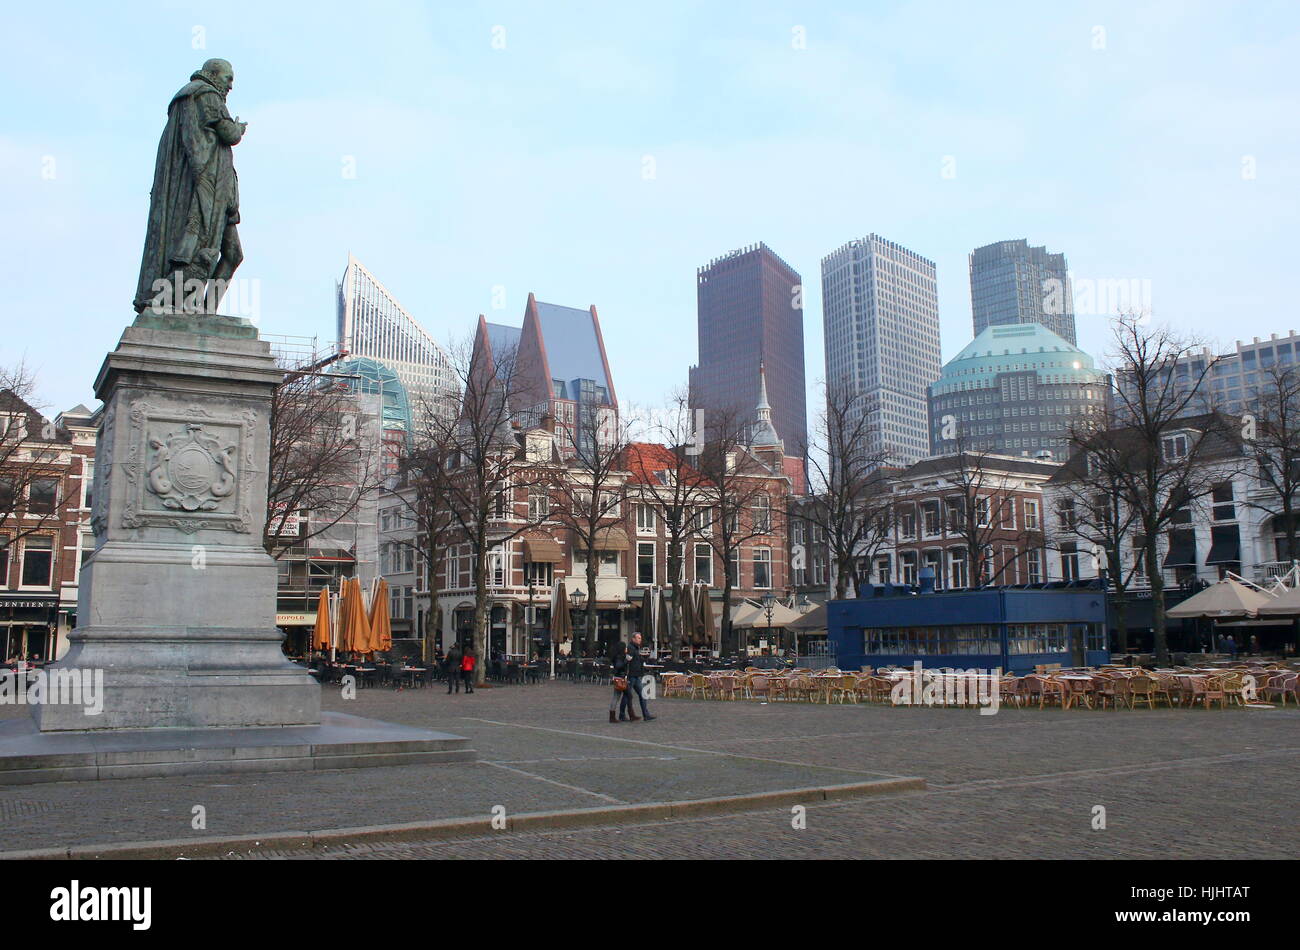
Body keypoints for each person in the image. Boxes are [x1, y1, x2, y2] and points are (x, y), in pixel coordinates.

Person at [625, 632, 655, 721]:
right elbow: (628, 660)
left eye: (640, 638)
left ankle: (646, 715)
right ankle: (622, 714)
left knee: (642, 694)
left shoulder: (636, 648)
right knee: (627, 696)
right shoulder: (630, 648)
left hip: (636, 675)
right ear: (633, 639)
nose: (640, 640)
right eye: (638, 638)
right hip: (631, 675)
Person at [608, 640, 637, 723]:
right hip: (620, 678)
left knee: (622, 696)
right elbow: (618, 666)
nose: (626, 649)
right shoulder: (620, 657)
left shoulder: (618, 656)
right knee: (622, 696)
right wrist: (626, 661)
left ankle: (617, 715)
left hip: (620, 677)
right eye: (625, 647)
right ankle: (629, 715)